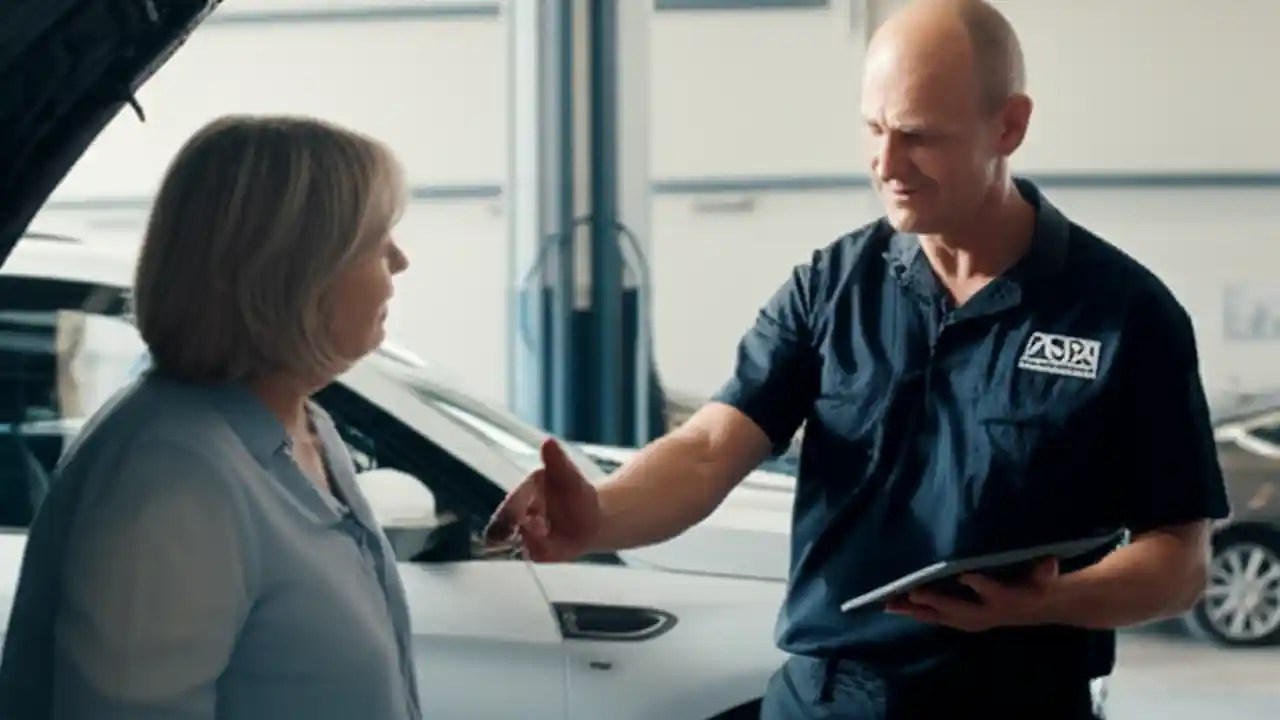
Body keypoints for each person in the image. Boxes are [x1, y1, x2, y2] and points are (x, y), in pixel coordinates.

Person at [486, 0, 1230, 717]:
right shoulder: (830, 288)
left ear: (1009, 125)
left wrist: (1051, 601)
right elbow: (709, 449)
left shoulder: (1125, 315)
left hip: (1017, 700)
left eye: (919, 135)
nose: (886, 163)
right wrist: (602, 515)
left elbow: (1179, 562)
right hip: (829, 700)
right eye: (873, 128)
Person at [0, 114, 419, 719]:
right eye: (377, 240)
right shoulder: (173, 474)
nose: (400, 261)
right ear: (298, 271)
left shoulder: (303, 426)